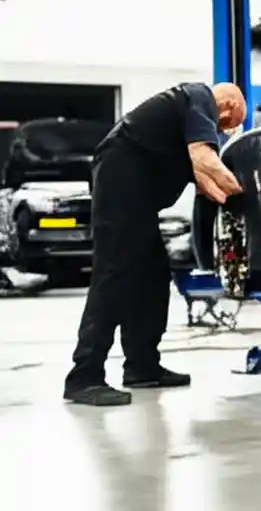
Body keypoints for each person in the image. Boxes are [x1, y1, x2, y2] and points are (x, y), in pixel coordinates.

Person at [63, 82, 246, 406]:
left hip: (136, 192)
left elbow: (204, 184)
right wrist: (247, 199)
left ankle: (142, 367)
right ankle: (84, 377)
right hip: (121, 177)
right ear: (229, 106)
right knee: (114, 272)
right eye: (227, 125)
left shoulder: (190, 118)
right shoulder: (200, 98)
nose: (223, 132)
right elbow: (206, 162)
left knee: (153, 274)